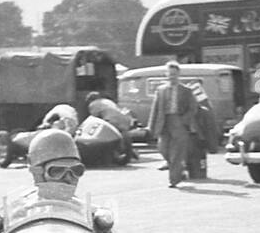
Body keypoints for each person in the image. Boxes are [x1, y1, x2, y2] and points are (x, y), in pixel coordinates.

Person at [147, 60, 198, 188]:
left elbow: (193, 108)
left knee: (176, 152)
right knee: (163, 149)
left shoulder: (186, 90)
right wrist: (150, 126)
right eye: (169, 74)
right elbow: (155, 108)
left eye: (174, 74)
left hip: (179, 123)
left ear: (178, 74)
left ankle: (173, 180)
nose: (171, 77)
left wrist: (184, 120)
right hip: (164, 122)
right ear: (166, 75)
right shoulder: (161, 90)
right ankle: (178, 169)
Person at [27, 128, 84, 200]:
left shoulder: (87, 209)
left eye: (76, 170)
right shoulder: (22, 208)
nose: (68, 178)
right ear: (37, 172)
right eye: (57, 171)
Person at [85, 90, 138, 161]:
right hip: (124, 118)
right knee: (123, 135)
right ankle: (130, 152)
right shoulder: (108, 101)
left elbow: (94, 119)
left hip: (110, 120)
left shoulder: (93, 104)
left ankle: (113, 155)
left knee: (107, 137)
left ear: (90, 100)